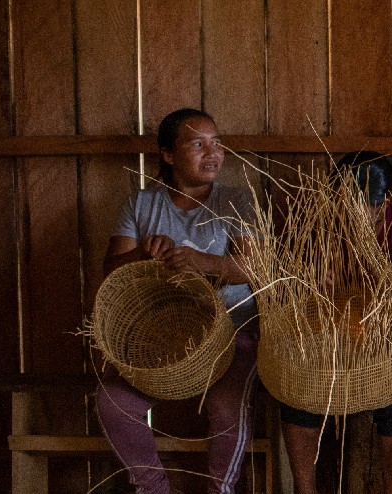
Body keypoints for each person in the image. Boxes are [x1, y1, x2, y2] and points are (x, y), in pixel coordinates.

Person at [98, 108, 259, 494]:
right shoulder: (141, 205)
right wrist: (143, 252)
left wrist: (205, 263)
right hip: (163, 340)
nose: (213, 153)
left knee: (226, 407)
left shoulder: (236, 201)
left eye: (217, 143)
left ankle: (219, 491)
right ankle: (153, 488)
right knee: (113, 402)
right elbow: (111, 272)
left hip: (232, 335)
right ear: (168, 154)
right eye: (198, 144)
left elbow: (255, 269)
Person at [279, 151, 392, 494]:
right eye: (337, 204)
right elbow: (292, 290)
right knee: (299, 386)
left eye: (354, 207)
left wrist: (391, 291)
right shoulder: (318, 226)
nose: (341, 213)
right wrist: (312, 284)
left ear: (381, 206)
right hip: (334, 339)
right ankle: (305, 490)